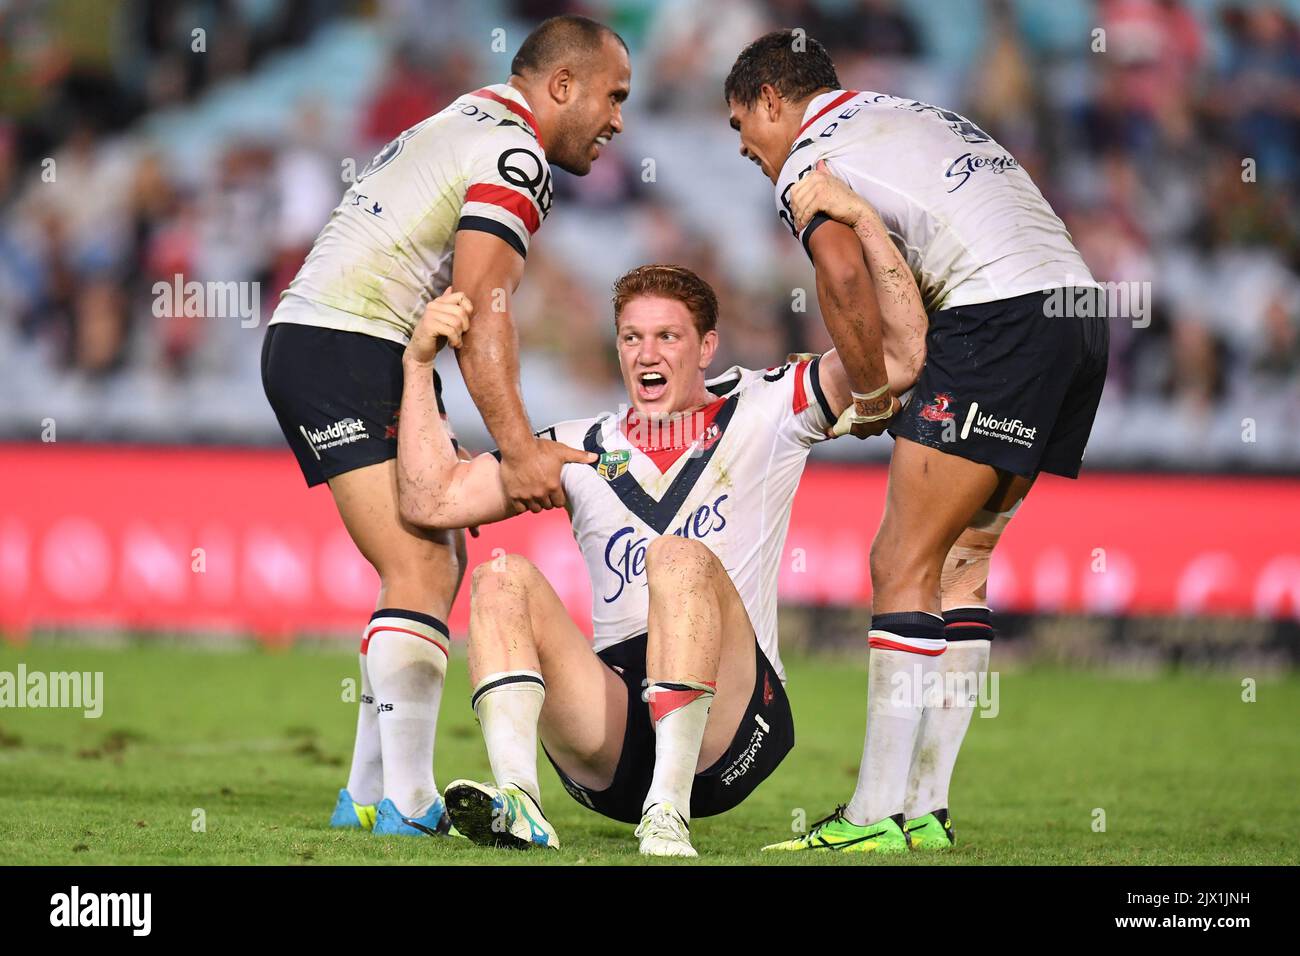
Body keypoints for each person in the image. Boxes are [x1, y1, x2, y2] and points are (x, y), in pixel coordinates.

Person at [394, 258, 925, 856]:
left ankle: (669, 812)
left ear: (706, 348)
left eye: (667, 337)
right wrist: (417, 364)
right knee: (499, 578)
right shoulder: (577, 444)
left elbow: (900, 359)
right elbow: (431, 500)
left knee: (675, 556)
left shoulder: (769, 406)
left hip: (732, 726)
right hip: (613, 739)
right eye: (631, 338)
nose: (647, 354)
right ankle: (520, 803)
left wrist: (860, 228)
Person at [724, 30, 1109, 852]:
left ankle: (871, 817)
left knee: (899, 562)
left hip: (997, 317)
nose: (747, 150)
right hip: (1078, 317)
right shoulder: (906, 112)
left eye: (740, 126)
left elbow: (845, 275)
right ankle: (927, 814)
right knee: (964, 559)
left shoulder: (809, 156)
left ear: (769, 100)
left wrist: (869, 392)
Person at [259, 15, 630, 837]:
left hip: (337, 339)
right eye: (611, 97)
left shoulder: (468, 117)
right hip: (345, 342)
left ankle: (365, 791)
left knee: (435, 555)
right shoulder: (516, 154)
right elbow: (481, 310)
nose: (617, 121)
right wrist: (523, 449)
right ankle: (411, 802)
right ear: (560, 87)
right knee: (421, 565)